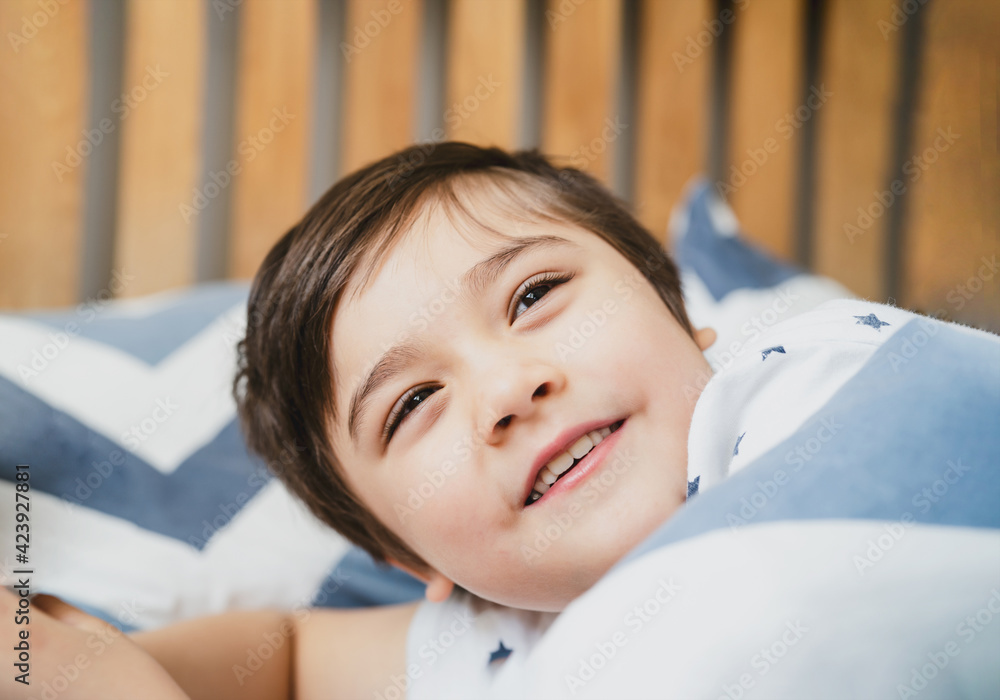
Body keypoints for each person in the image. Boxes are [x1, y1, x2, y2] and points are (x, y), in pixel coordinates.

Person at [3, 142, 994, 699]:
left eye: (532, 296)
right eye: (414, 405)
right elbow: (287, 659)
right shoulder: (499, 634)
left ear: (690, 326)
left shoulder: (797, 376)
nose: (507, 391)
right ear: (409, 559)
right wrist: (55, 657)